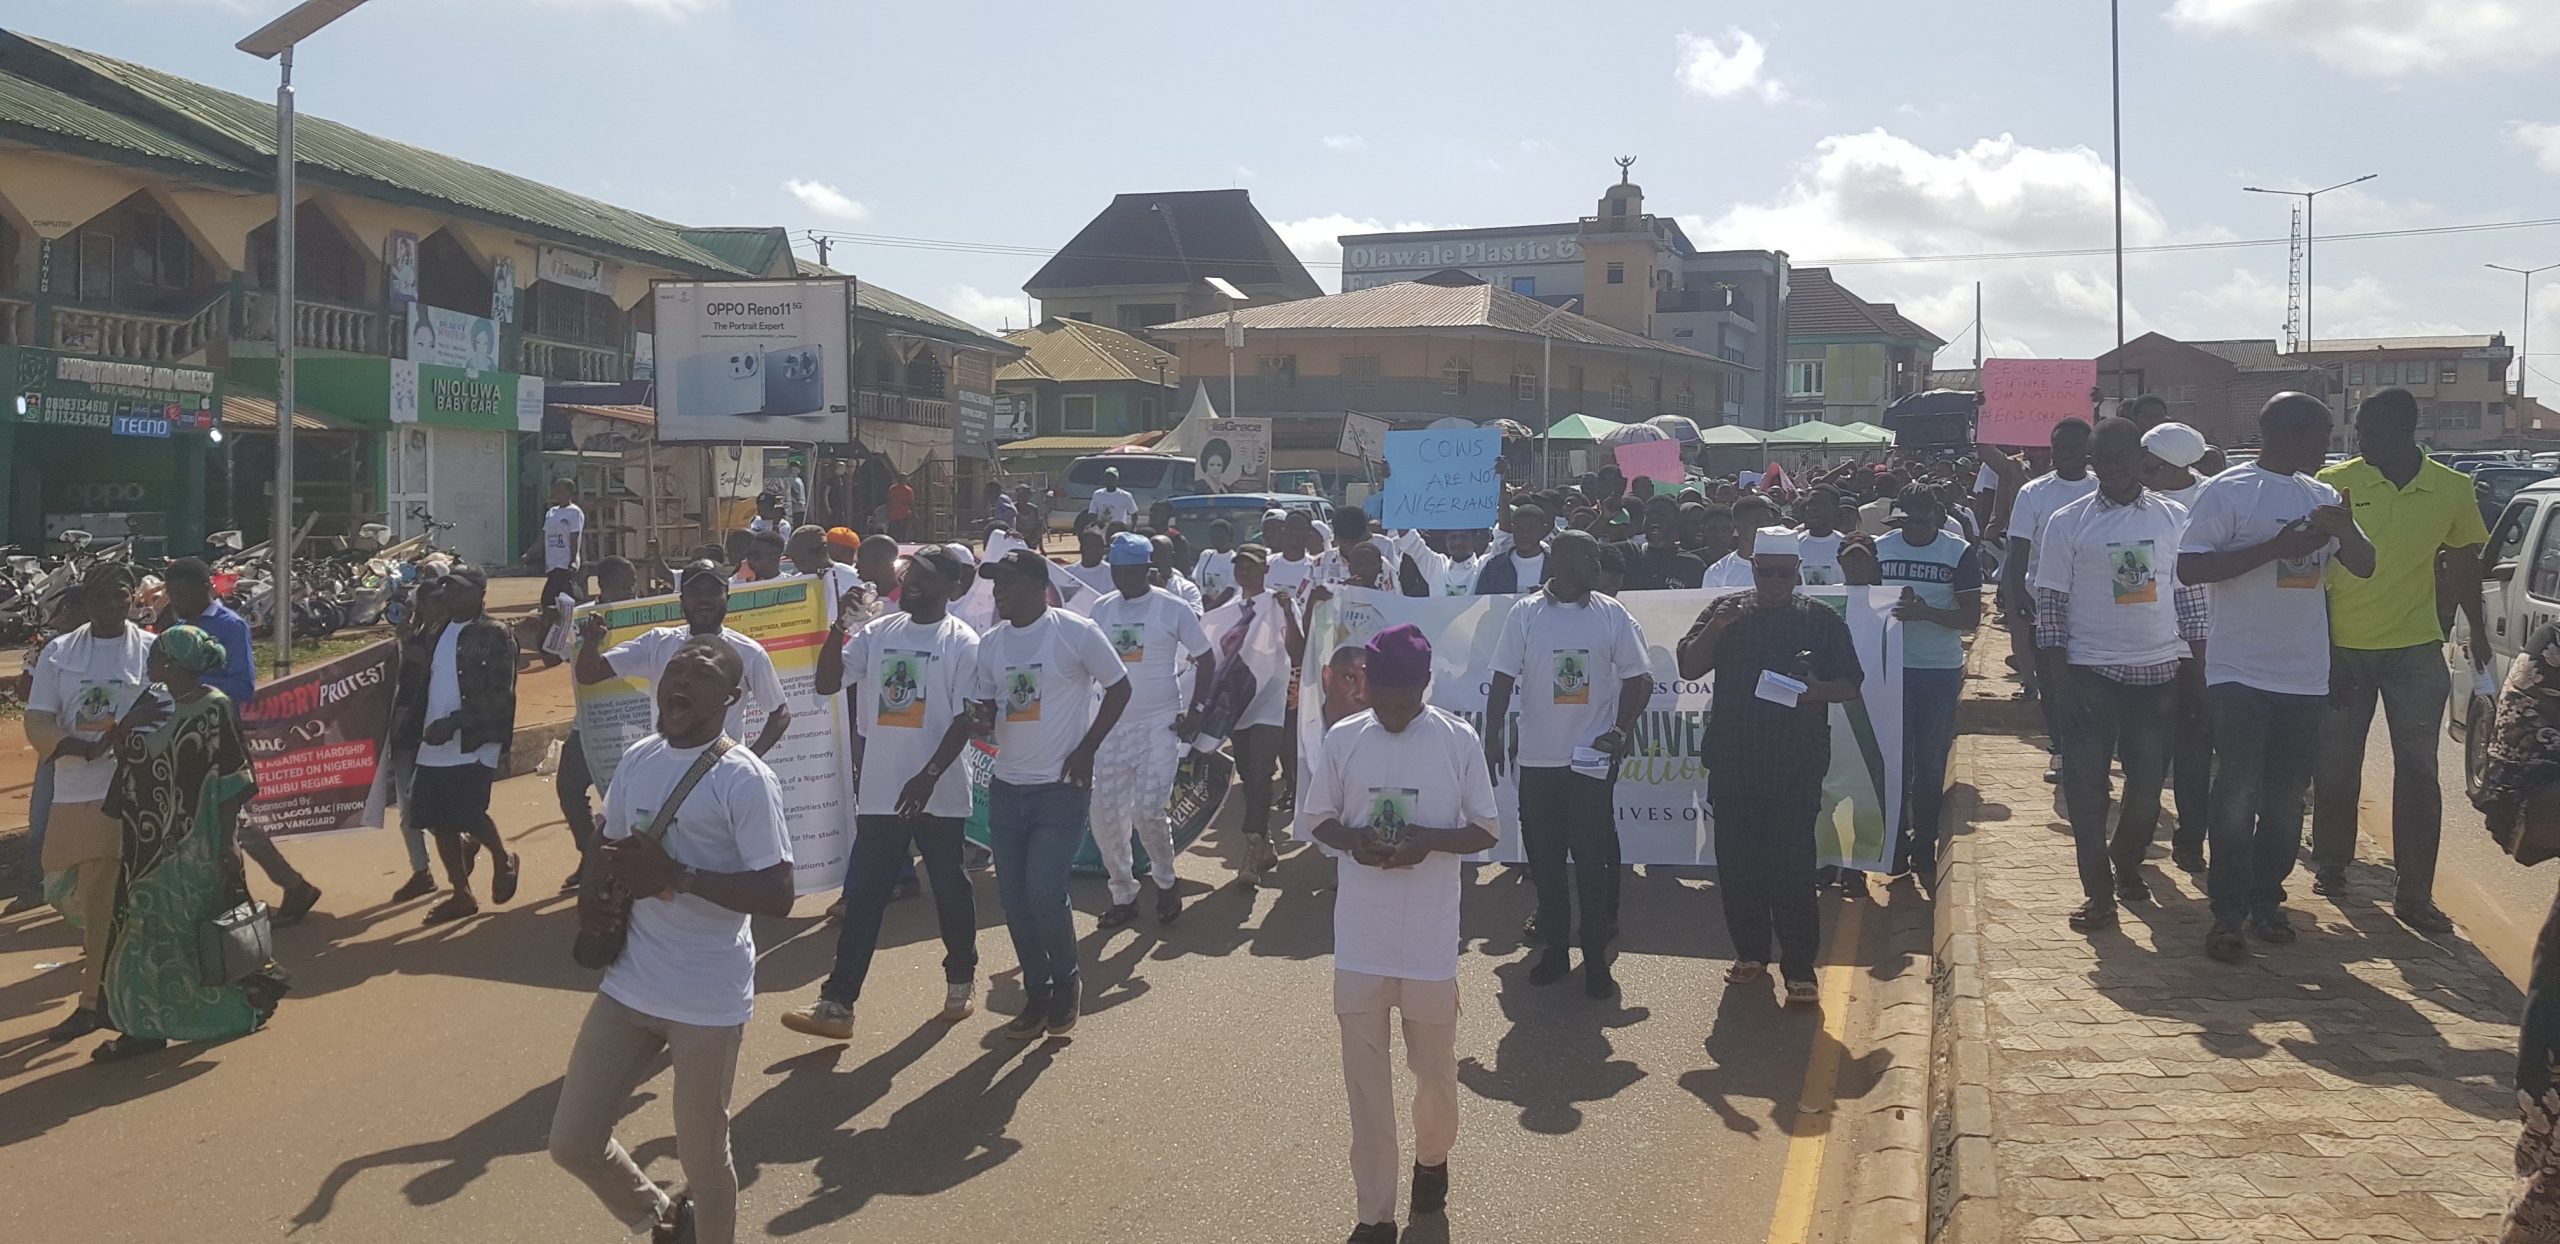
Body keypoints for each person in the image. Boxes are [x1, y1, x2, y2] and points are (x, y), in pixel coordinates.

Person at [550, 638, 795, 1244]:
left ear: (732, 698)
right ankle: (660, 1217)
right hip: (630, 982)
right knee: (572, 1142)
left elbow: (778, 894)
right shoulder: (638, 758)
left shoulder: (746, 779)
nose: (681, 678)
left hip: (706, 999)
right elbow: (606, 844)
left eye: (702, 672)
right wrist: (593, 895)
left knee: (704, 1161)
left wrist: (678, 877)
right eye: (676, 668)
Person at [1305, 624, 1498, 1244]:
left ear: (1425, 686)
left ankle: (1432, 1159)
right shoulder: (1343, 738)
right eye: (1380, 700)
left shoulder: (1456, 740)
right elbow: (1318, 819)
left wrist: (1430, 843)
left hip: (1429, 942)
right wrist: (1353, 842)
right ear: (1366, 686)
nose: (1390, 714)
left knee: (1435, 1071)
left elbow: (1486, 830)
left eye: (1403, 701)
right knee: (1365, 1084)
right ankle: (1375, 1214)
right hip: (1361, 939)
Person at [2177, 393, 2374, 962]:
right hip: (2239, 667)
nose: (2329, 444)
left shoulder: (2324, 495)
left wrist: (2349, 529)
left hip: (2305, 671)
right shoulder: (2229, 491)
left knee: (2288, 799)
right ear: (2290, 432)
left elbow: (2362, 565)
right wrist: (2277, 548)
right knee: (2236, 790)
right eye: (2322, 432)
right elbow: (2190, 568)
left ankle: (2269, 901)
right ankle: (2227, 913)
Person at [2309, 387, 2492, 933]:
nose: (2359, 437)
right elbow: (2310, 574)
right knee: (2338, 765)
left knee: (2418, 771)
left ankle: (2414, 892)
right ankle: (2333, 862)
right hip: (2344, 646)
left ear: (2404, 429)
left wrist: (2477, 630)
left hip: (2415, 649)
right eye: (2358, 428)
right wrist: (2322, 647)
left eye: (2369, 428)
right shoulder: (2333, 484)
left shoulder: (2452, 489)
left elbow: (2462, 564)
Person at [784, 547, 984, 1041]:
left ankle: (961, 978)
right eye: (910, 572)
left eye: (925, 577)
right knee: (866, 896)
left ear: (951, 590)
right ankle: (837, 1004)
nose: (912, 580)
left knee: (949, 886)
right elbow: (827, 681)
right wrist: (838, 628)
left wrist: (929, 775)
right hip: (881, 793)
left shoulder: (962, 641)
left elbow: (968, 718)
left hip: (937, 792)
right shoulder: (877, 633)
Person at [2033, 417, 2208, 932]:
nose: (2114, 468)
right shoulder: (2067, 523)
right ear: (2093, 462)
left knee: (2148, 788)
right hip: (2090, 673)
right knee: (2087, 788)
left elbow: (2191, 601)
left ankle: (2127, 861)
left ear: (2141, 461)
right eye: (2103, 459)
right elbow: (2050, 607)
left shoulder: (2176, 519)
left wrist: (2196, 673)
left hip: (2158, 674)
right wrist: (2060, 683)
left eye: (2123, 458)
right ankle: (2099, 893)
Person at [1679, 527, 1863, 1004]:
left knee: (1792, 868)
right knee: (1739, 867)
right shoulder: (1726, 612)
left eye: (1785, 573)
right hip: (1735, 759)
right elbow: (1689, 667)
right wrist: (1717, 627)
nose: (1776, 581)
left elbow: (1851, 683)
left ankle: (1800, 967)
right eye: (1767, 572)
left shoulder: (1821, 621)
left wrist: (1816, 691)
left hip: (1794, 763)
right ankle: (1750, 954)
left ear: (1797, 572)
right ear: (1754, 568)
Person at [86, 625, 287, 1059]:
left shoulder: (214, 708)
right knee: (139, 936)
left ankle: (232, 1011)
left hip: (195, 845)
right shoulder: (151, 703)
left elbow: (234, 780)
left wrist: (229, 841)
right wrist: (127, 730)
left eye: (157, 656)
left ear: (174, 664)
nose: (151, 662)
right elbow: (126, 760)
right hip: (144, 848)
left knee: (193, 940)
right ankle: (141, 1026)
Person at [1483, 530, 1653, 997]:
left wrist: (1619, 730)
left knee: (1591, 864)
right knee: (1547, 863)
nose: (1598, 565)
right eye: (1590, 556)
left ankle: (1596, 959)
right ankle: (1555, 951)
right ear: (1561, 560)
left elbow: (1640, 679)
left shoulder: (1611, 613)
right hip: (1538, 761)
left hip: (1589, 764)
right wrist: (1493, 733)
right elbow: (1501, 676)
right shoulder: (1526, 613)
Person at [970, 548, 1131, 1037]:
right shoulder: (991, 643)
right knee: (1015, 901)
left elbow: (1120, 688)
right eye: (995, 582)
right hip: (1008, 789)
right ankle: (1036, 992)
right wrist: (982, 718)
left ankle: (1067, 982)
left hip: (1060, 790)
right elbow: (986, 706)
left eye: (1008, 581)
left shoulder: (1074, 631)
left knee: (1043, 892)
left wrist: (1086, 751)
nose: (997, 591)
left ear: (1040, 586)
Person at [25, 565, 155, 1042]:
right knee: (59, 885)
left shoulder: (150, 649)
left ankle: (94, 1000)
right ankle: (110, 951)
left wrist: (133, 738)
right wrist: (75, 747)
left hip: (127, 790)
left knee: (103, 897)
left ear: (132, 599)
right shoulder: (60, 654)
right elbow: (37, 718)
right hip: (72, 786)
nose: (112, 607)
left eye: (121, 597)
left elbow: (165, 707)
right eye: (102, 598)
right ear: (87, 601)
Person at [160, 557, 322, 923]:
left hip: (221, 737)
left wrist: (191, 685)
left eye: (183, 593)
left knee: (231, 821)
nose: (176, 601)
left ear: (207, 589)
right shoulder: (178, 624)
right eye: (171, 594)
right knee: (217, 821)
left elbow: (243, 687)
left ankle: (270, 894)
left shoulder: (229, 626)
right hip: (184, 737)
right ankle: (286, 888)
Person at [1081, 533, 1212, 928]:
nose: (1124, 579)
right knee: (1105, 816)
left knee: (1148, 810)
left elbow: (1206, 660)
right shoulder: (1101, 610)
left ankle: (1165, 879)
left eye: (1132, 572)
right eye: (1118, 572)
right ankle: (1123, 893)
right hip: (1111, 728)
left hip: (1159, 723)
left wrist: (1197, 711)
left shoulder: (1172, 608)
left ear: (1147, 570)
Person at [1873, 486, 1980, 881]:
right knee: (1895, 763)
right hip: (1891, 669)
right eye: (1909, 520)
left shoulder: (1958, 552)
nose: (1916, 527)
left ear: (1936, 515)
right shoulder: (1879, 548)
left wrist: (1925, 613)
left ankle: (1925, 845)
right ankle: (1897, 844)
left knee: (1930, 765)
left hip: (1938, 669)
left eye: (1923, 519)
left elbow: (1971, 618)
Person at [578, 562, 793, 757]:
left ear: (727, 598)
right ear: (681, 600)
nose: (704, 599)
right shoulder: (657, 643)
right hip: (666, 766)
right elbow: (590, 675)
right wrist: (590, 642)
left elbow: (779, 712)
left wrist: (751, 758)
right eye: (695, 591)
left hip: (721, 770)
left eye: (712, 591)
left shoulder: (749, 652)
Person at [407, 566, 523, 924]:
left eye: (458, 591)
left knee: (469, 814)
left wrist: (454, 723)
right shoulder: (437, 631)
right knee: (437, 821)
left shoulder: (495, 634)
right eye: (447, 591)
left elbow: (500, 695)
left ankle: (502, 858)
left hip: (474, 739)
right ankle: (461, 894)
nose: (450, 597)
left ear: (479, 594)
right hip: (433, 740)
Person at [1999, 419, 2099, 783]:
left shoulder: (2103, 489)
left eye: (2074, 446)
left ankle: (2092, 751)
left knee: (2091, 682)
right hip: (2044, 601)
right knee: (2054, 683)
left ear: (2087, 450)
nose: (2065, 454)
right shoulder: (2033, 493)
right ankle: (2059, 750)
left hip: (2096, 603)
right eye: (2059, 446)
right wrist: (2018, 595)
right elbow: (2019, 546)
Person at [1205, 545, 1305, 886]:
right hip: (1238, 703)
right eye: (1240, 566)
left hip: (1269, 702)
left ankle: (1250, 849)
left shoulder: (1277, 605)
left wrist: (1290, 614)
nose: (1244, 572)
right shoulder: (1229, 608)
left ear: (1265, 569)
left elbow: (1297, 651)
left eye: (1251, 566)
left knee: (1261, 773)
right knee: (1249, 776)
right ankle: (1264, 843)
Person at [555, 557, 640, 893]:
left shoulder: (646, 613)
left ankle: (633, 866)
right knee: (568, 788)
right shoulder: (582, 618)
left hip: (637, 723)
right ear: (603, 586)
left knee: (636, 799)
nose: (631, 590)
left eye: (632, 582)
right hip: (591, 724)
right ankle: (591, 856)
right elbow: (558, 653)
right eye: (623, 583)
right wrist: (555, 627)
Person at [388, 574, 451, 902]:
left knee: (426, 805)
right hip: (408, 730)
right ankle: (421, 870)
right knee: (410, 807)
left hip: (431, 729)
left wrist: (409, 642)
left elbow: (424, 667)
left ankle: (467, 845)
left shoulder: (449, 636)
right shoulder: (419, 636)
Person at [1472, 502, 1551, 595]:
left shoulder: (1555, 567)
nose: (1525, 534)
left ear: (1543, 530)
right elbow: (1480, 602)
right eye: (1520, 529)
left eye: (1531, 529)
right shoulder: (1494, 567)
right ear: (1513, 529)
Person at [1620, 506, 1706, 591]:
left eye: (1662, 516)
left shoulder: (1693, 565)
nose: (1655, 521)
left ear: (1676, 523)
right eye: (1650, 515)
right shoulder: (1626, 553)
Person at [1702, 498, 1773, 589]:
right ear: (1737, 525)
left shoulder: (1787, 567)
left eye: (1768, 521)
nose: (1764, 528)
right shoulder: (1717, 572)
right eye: (1755, 522)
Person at [540, 477, 587, 607]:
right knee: (560, 600)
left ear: (568, 492)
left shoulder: (574, 512)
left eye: (559, 489)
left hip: (564, 564)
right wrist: (529, 554)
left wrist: (572, 560)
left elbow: (574, 536)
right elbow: (543, 535)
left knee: (548, 600)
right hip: (552, 563)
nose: (556, 492)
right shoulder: (551, 512)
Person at [1150, 533, 1205, 613]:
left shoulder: (1187, 588)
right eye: (1151, 556)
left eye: (1160, 556)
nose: (1155, 560)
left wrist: (1163, 592)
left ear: (1172, 557)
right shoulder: (1137, 587)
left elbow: (1195, 616)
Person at [1194, 519, 1240, 608]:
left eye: (1221, 536)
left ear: (1229, 536)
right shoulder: (1206, 555)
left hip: (1226, 607)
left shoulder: (1235, 559)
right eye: (1214, 536)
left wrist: (1212, 607)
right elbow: (1197, 582)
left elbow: (1230, 590)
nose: (1217, 539)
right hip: (1204, 606)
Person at [887, 472, 917, 540]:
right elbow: (911, 503)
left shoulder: (892, 489)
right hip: (903, 514)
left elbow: (888, 501)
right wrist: (914, 514)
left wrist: (888, 512)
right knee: (902, 533)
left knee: (895, 532)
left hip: (896, 514)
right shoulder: (908, 490)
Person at [786, 462, 810, 528]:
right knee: (797, 524)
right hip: (795, 507)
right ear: (792, 468)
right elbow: (788, 492)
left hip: (802, 506)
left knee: (801, 523)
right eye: (798, 467)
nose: (799, 469)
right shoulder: (789, 479)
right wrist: (795, 501)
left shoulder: (799, 479)